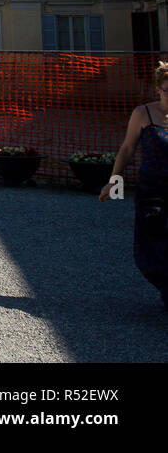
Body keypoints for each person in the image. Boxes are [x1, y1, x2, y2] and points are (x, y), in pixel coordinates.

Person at [101, 61, 168, 310]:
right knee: (149, 245)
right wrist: (113, 184)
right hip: (152, 189)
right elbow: (127, 149)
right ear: (158, 90)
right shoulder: (144, 113)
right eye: (167, 90)